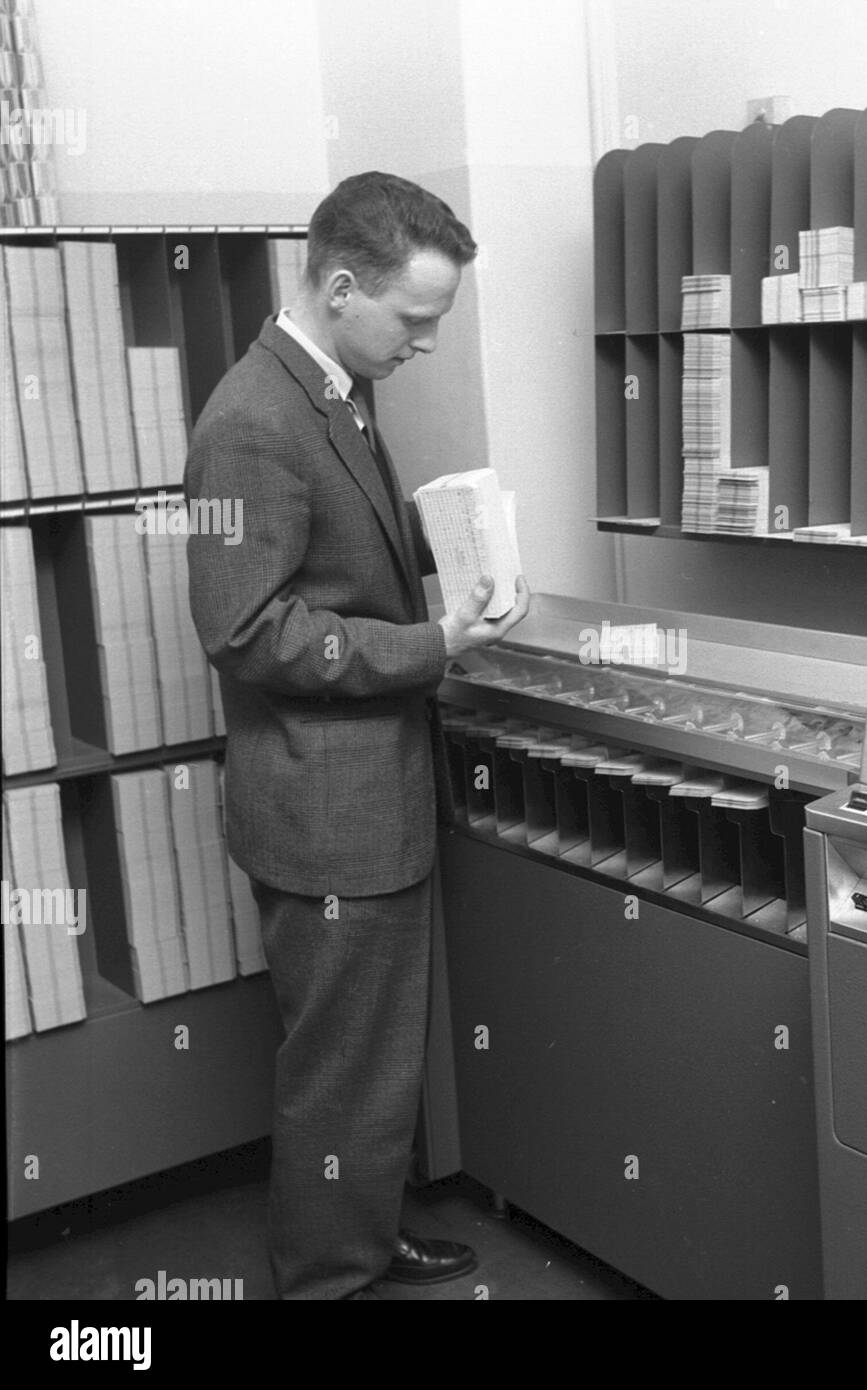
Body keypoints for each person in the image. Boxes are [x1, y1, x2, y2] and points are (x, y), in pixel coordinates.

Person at [185, 171, 530, 1300]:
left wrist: (456, 552)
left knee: (371, 1062)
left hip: (359, 796)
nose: (425, 344)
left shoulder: (329, 385)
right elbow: (244, 628)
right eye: (415, 320)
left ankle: (363, 1236)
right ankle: (329, 1274)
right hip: (325, 813)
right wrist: (434, 644)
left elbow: (342, 562)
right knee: (340, 1069)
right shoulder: (249, 421)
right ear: (341, 288)